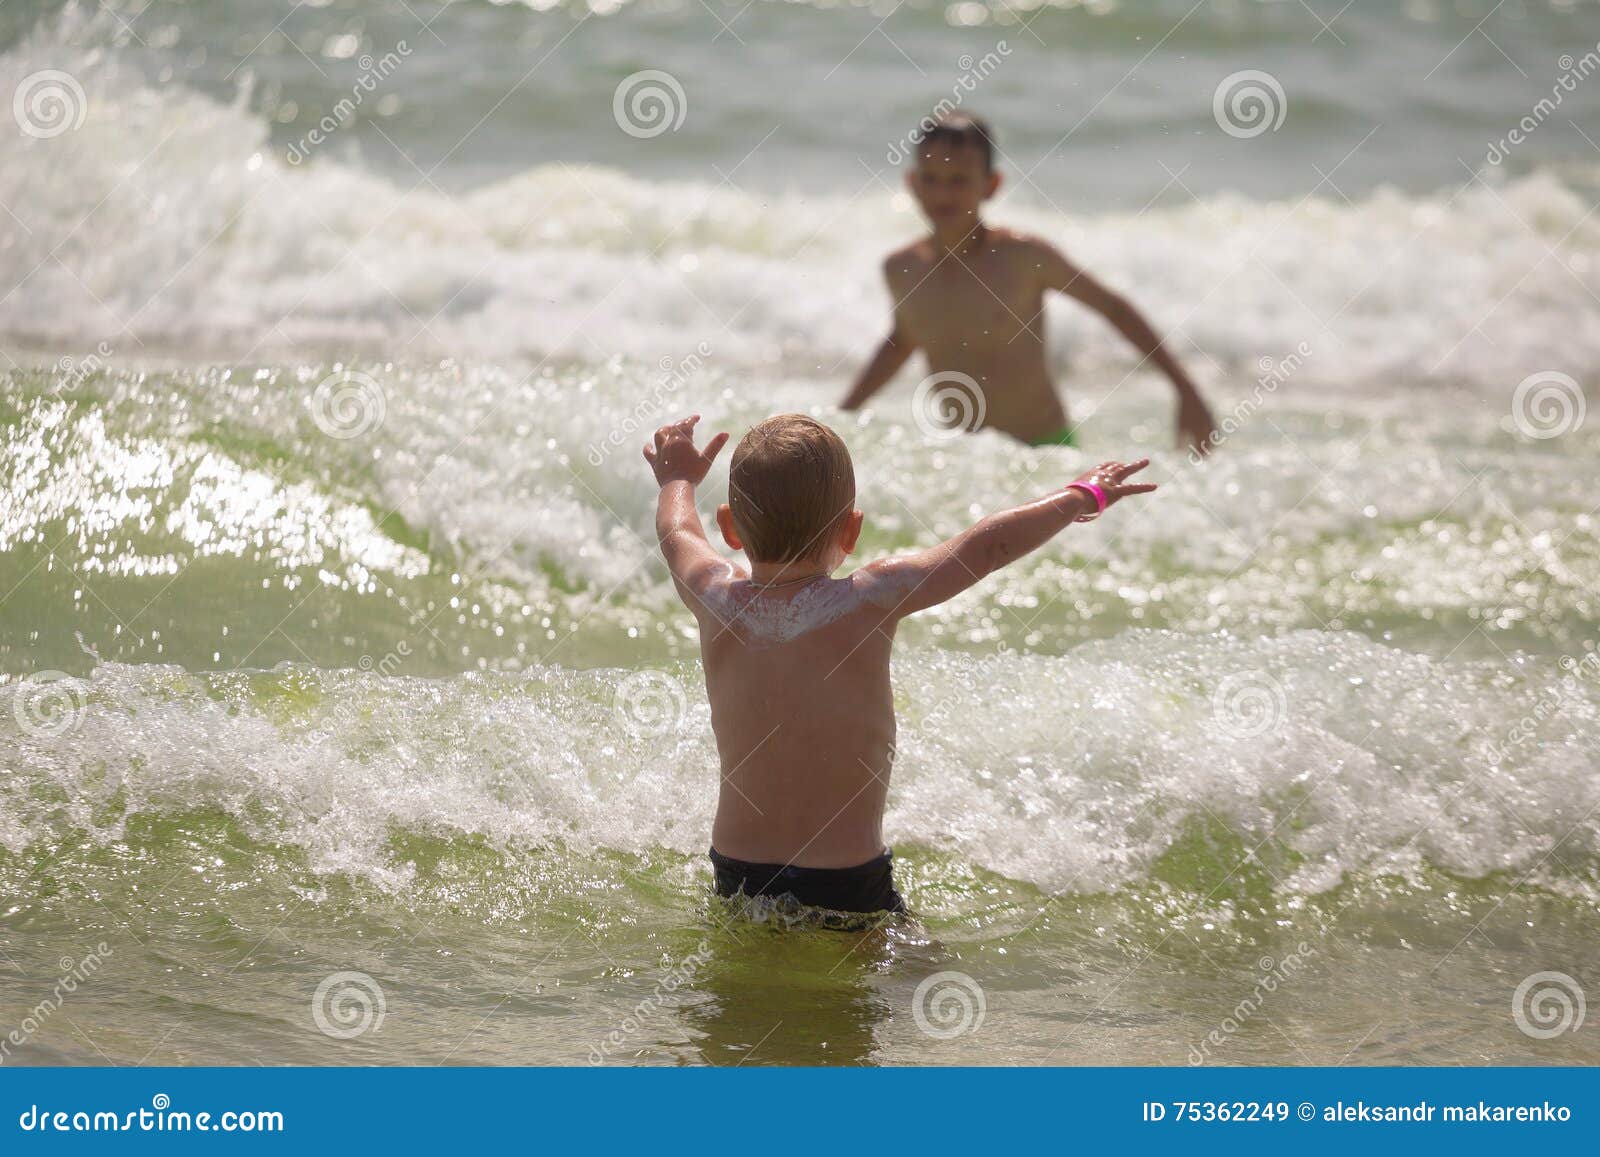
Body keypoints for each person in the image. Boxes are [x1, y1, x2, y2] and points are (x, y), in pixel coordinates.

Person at [643, 412, 1155, 919]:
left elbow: (677, 530)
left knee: (743, 1000)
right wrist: (1082, 495)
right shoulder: (870, 597)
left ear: (730, 527)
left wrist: (678, 479)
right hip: (847, 880)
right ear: (852, 530)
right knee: (889, 991)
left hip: (739, 873)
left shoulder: (712, 594)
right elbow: (987, 547)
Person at [841, 112, 1216, 453]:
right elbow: (903, 341)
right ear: (912, 183)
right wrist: (843, 415)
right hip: (967, 459)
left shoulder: (1023, 257)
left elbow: (1112, 308)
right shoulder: (902, 269)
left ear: (991, 184)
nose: (943, 193)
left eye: (958, 180)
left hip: (1046, 452)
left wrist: (1185, 389)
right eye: (932, 179)